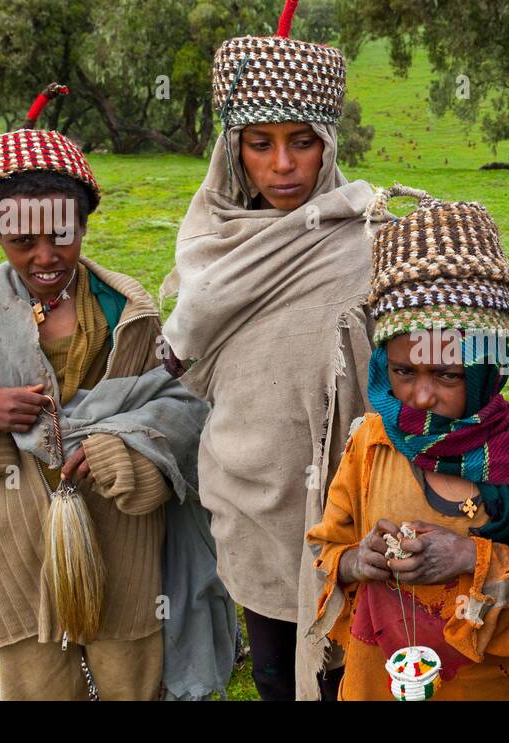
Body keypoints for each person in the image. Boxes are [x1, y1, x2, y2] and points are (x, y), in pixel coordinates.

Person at [0, 87, 214, 700]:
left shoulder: (127, 310)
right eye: (21, 241)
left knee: (130, 665)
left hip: (115, 524)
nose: (45, 255)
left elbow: (179, 403)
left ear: (84, 221)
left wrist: (124, 445)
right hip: (12, 530)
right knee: (36, 680)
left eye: (61, 234)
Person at [159, 2, 383, 700]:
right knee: (273, 671)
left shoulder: (370, 237)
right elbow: (187, 359)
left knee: (347, 665)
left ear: (328, 144)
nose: (282, 165)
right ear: (233, 149)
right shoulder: (209, 242)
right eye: (259, 143)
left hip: (352, 503)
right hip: (246, 494)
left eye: (302, 141)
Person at [306, 186, 509, 700]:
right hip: (377, 681)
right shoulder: (372, 441)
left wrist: (470, 558)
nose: (419, 396)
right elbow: (327, 547)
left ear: (487, 369)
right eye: (402, 370)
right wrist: (358, 561)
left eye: (447, 374)